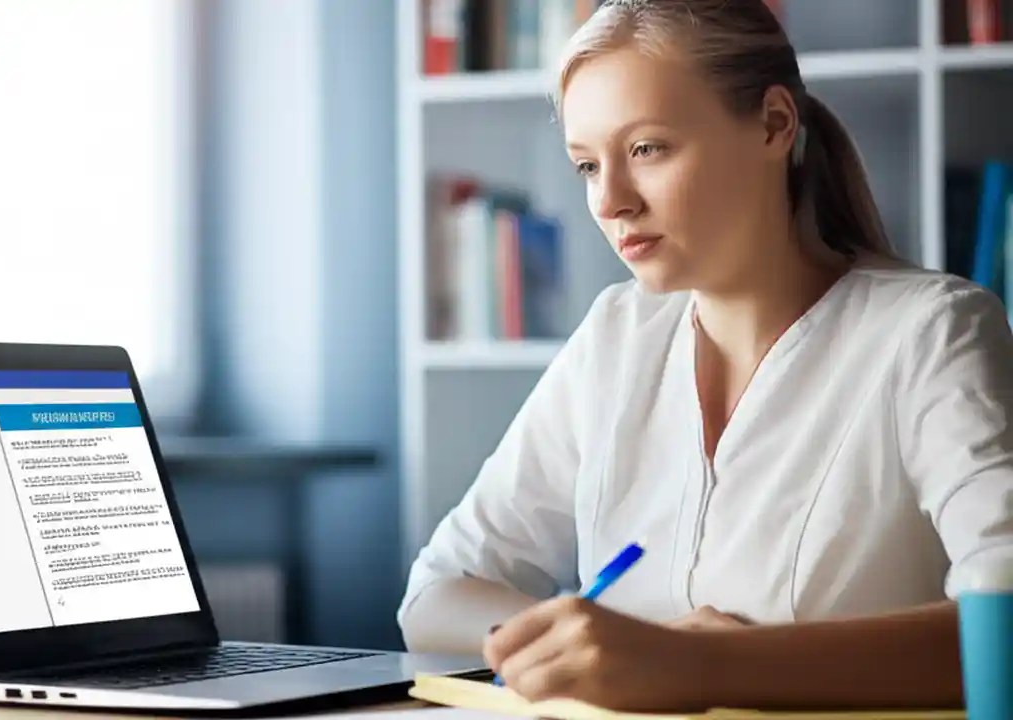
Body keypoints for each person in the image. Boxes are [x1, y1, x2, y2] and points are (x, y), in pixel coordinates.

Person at [398, 0, 1013, 712]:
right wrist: (598, 645)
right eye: (587, 165)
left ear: (775, 125)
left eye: (647, 149)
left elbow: (1002, 622)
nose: (611, 200)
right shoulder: (615, 337)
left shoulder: (932, 332)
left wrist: (698, 663)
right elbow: (438, 591)